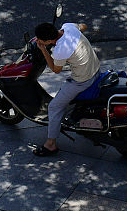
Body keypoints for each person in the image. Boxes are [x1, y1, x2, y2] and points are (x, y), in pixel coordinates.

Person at [32, 21, 100, 157]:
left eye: (41, 40)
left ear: (49, 40)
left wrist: (43, 49)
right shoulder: (68, 27)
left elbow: (56, 69)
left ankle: (50, 144)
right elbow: (83, 26)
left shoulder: (60, 50)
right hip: (95, 69)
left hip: (82, 81)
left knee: (54, 107)